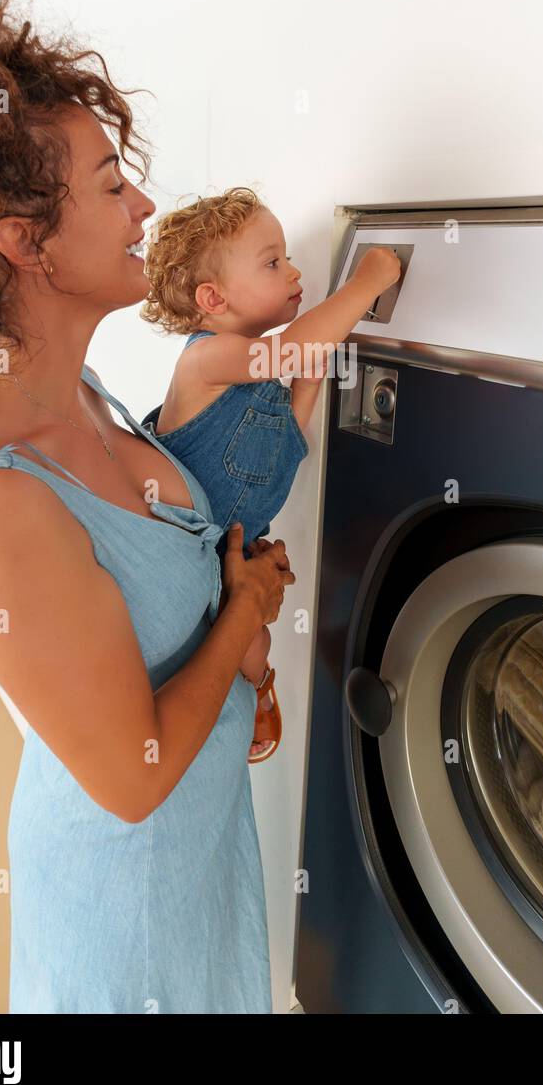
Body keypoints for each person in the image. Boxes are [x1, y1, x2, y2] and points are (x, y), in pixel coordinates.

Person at [0, 0, 294, 1013]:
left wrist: (245, 669)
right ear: (25, 243)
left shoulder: (82, 392)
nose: (144, 203)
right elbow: (135, 769)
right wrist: (244, 608)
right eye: (111, 185)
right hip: (125, 921)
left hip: (200, 852)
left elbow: (152, 591)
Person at [138, 190, 401, 759]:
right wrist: (366, 283)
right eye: (273, 262)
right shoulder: (206, 360)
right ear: (214, 297)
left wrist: (309, 382)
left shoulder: (257, 371)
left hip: (228, 552)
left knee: (249, 637)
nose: (294, 270)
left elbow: (288, 441)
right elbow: (288, 351)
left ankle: (254, 684)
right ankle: (254, 689)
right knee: (240, 642)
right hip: (182, 557)